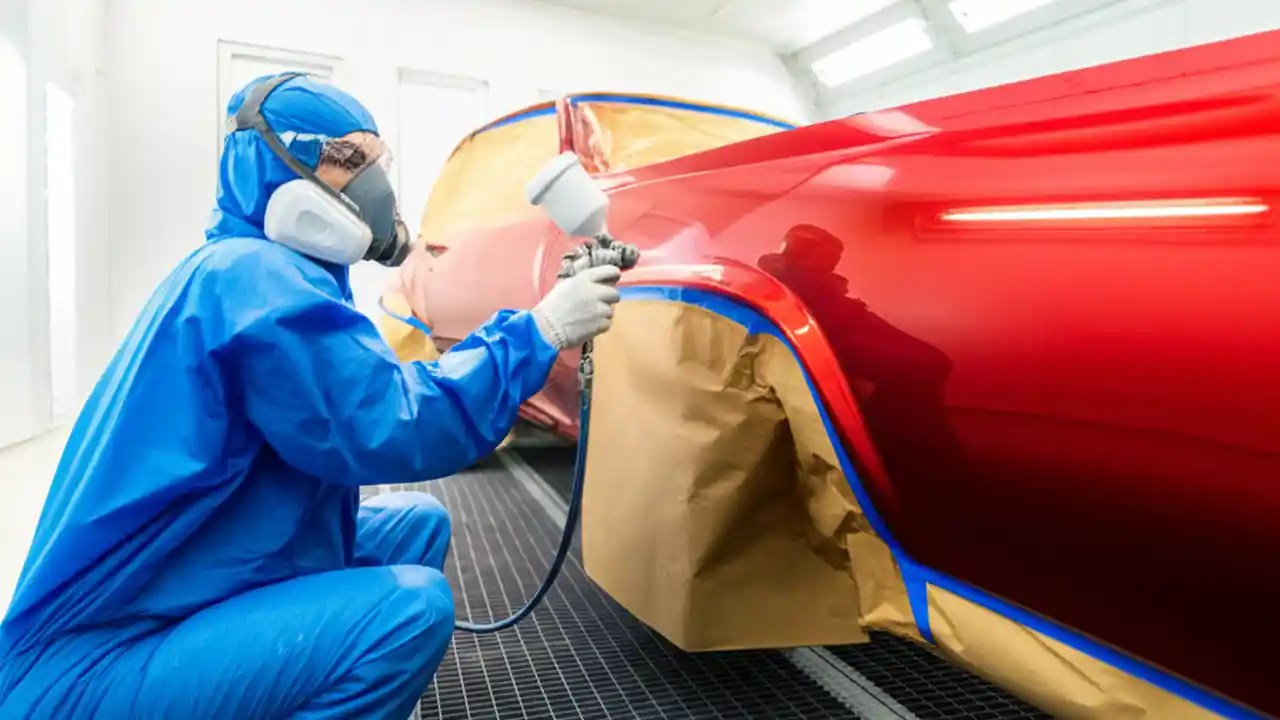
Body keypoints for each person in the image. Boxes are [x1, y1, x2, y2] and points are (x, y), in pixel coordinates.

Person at [0, 73, 620, 719]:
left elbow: (369, 390)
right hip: (96, 663)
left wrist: (524, 333)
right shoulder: (253, 280)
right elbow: (390, 423)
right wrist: (541, 332)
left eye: (377, 161)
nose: (374, 183)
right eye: (347, 161)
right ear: (274, 172)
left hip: (184, 578)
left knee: (416, 524)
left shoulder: (261, 270)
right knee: (412, 610)